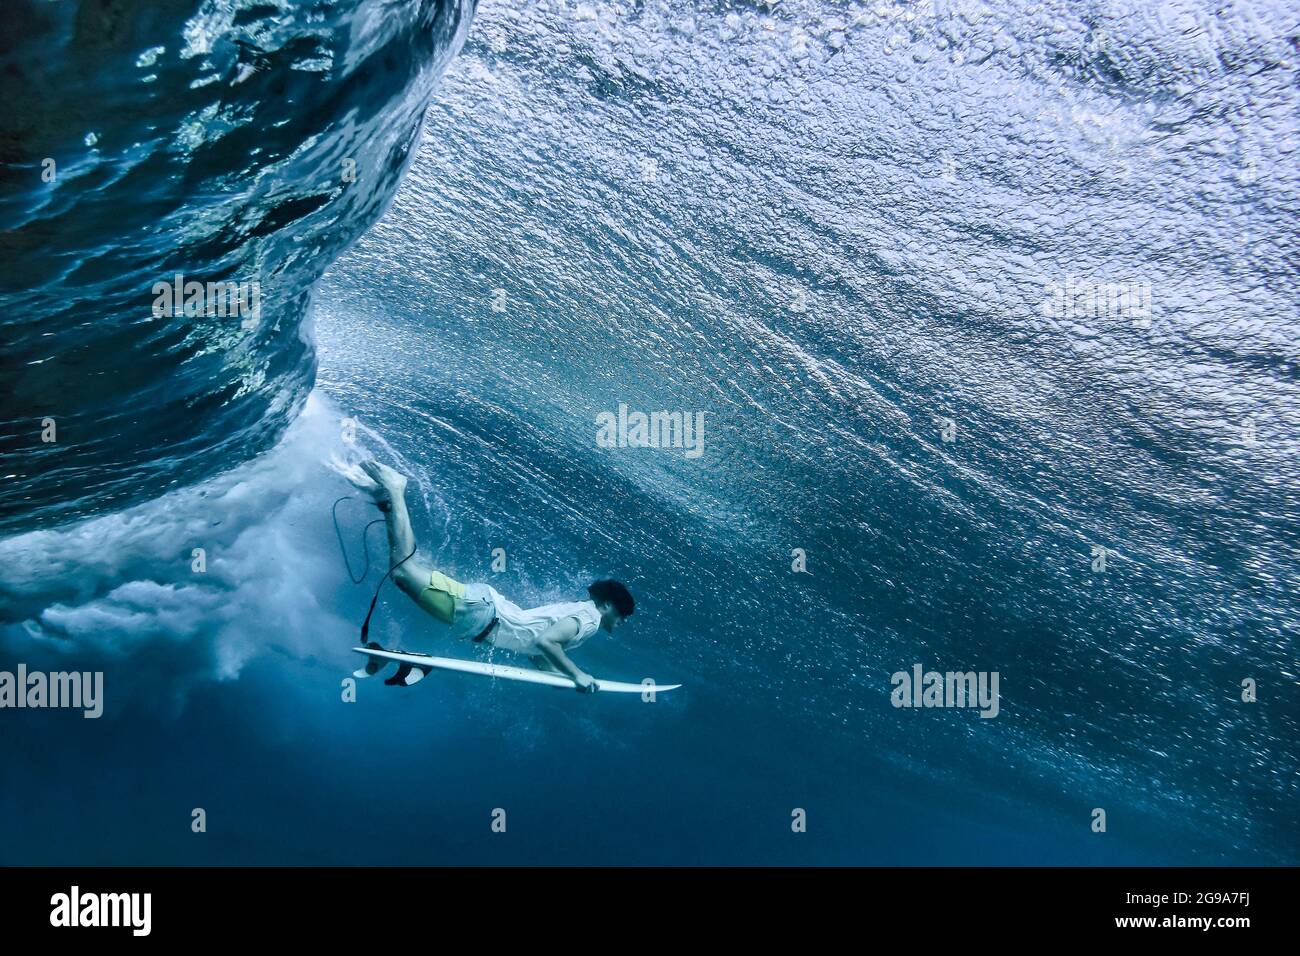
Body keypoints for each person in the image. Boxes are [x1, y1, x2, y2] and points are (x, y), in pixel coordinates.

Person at [341, 460, 634, 692]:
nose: (621, 623)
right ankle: (394, 488)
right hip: (481, 614)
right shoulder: (590, 620)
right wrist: (578, 674)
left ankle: (387, 500)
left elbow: (537, 649)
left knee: (404, 572)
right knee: (404, 571)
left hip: (482, 614)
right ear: (608, 605)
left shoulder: (581, 618)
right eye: (622, 616)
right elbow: (547, 642)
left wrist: (561, 677)